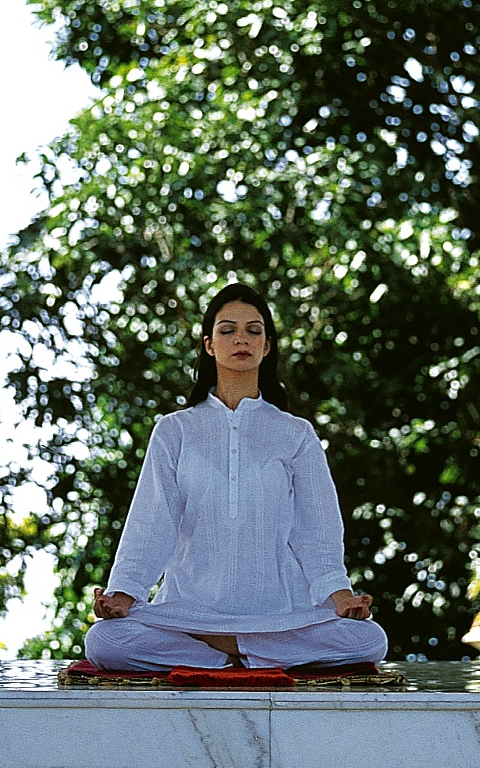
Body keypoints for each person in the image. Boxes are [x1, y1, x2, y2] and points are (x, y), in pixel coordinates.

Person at [82, 281, 388, 673]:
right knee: (105, 641)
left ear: (267, 345)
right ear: (209, 345)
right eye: (228, 330)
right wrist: (123, 594)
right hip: (189, 614)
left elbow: (317, 530)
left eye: (253, 330)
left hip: (279, 616)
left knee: (369, 641)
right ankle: (236, 656)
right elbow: (151, 522)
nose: (240, 339)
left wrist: (341, 596)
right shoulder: (175, 430)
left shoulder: (295, 433)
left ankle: (225, 654)